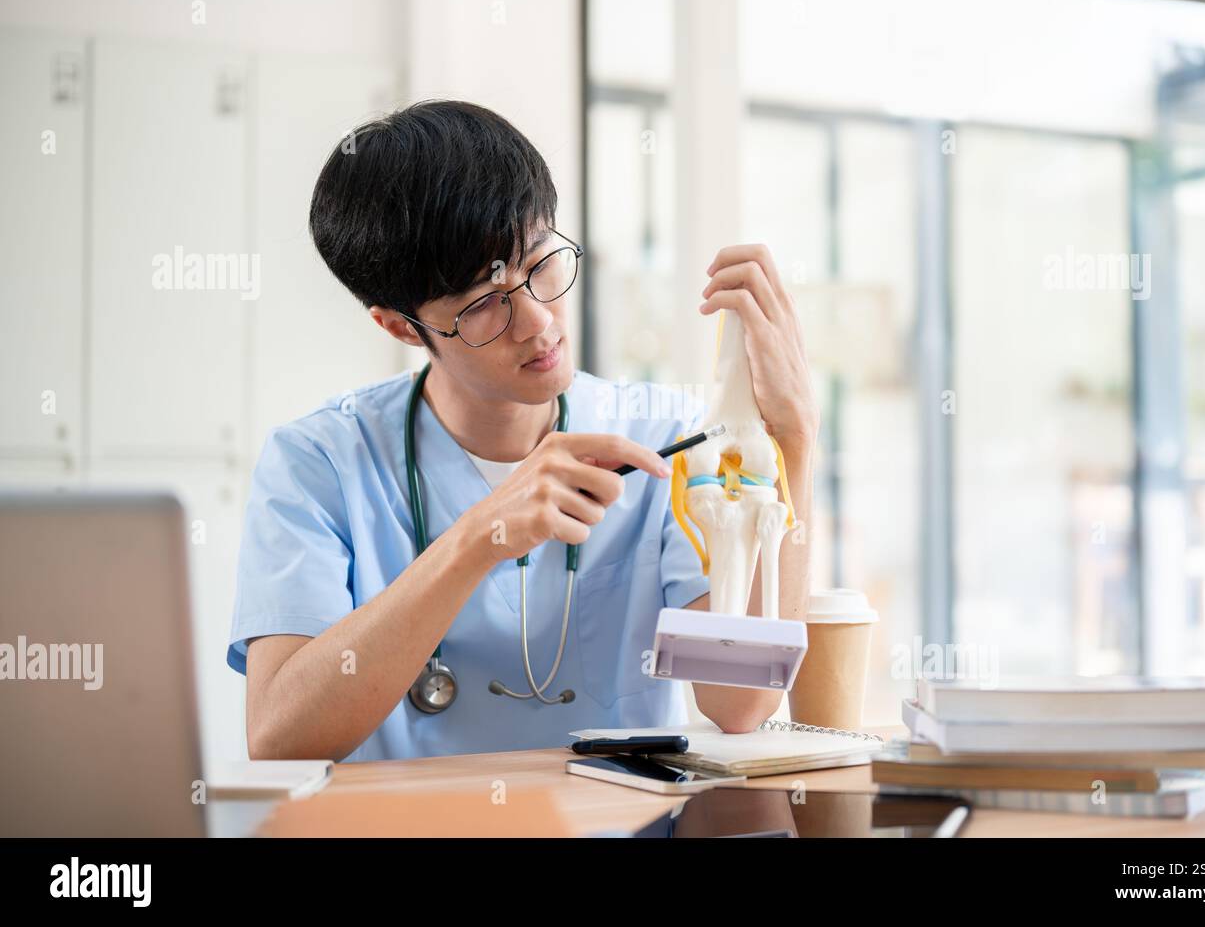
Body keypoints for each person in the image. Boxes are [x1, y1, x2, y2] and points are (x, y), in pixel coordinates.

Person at [227, 100, 819, 761]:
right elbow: (281, 736)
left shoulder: (660, 437)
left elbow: (740, 702)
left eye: (541, 265)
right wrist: (479, 538)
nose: (538, 322)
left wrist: (793, 441)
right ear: (399, 326)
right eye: (484, 303)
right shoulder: (318, 463)